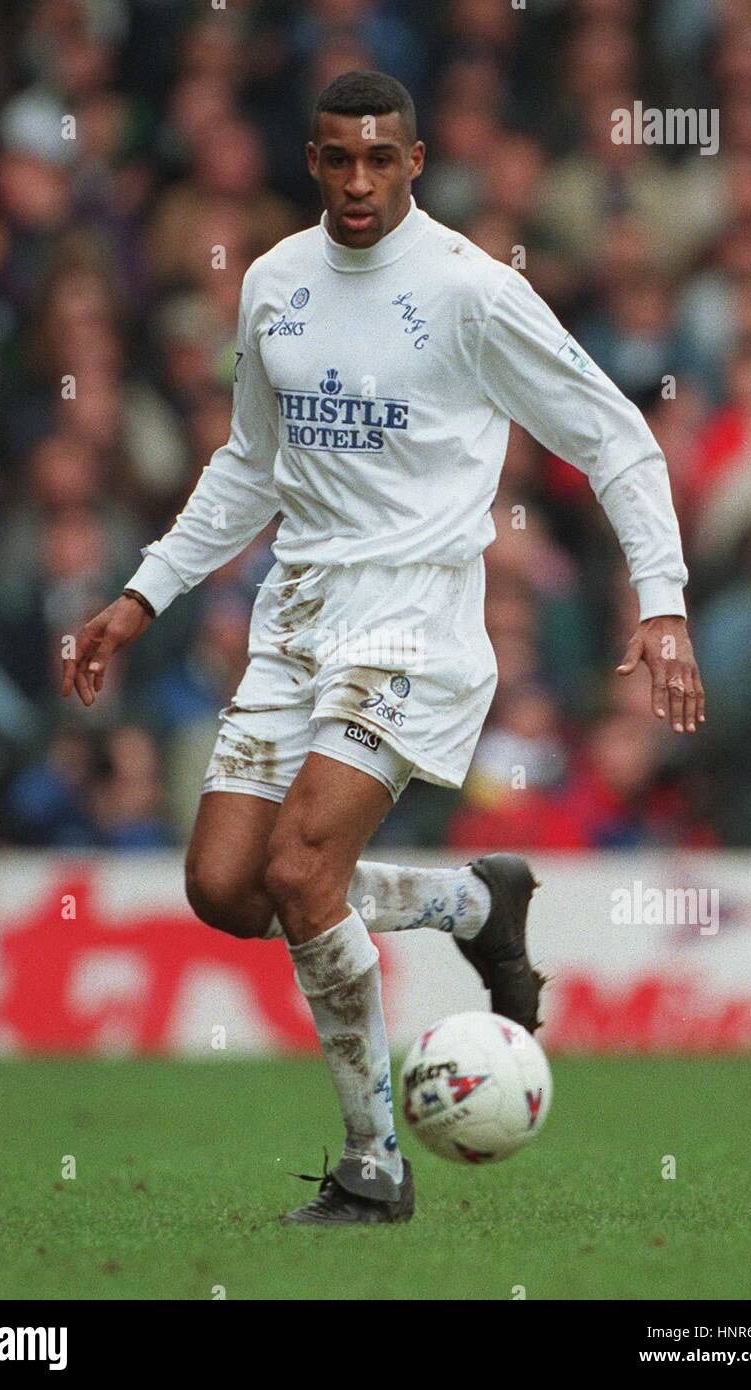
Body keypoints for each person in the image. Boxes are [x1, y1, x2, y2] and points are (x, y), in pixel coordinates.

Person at [62, 71, 704, 1226]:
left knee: (302, 873)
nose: (358, 181)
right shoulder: (270, 283)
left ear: (413, 162)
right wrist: (140, 593)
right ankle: (471, 905)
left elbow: (615, 436)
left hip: (416, 621)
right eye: (337, 159)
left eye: (380, 159)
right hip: (296, 616)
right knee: (226, 887)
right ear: (312, 161)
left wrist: (658, 602)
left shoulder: (468, 291)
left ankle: (372, 1164)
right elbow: (246, 463)